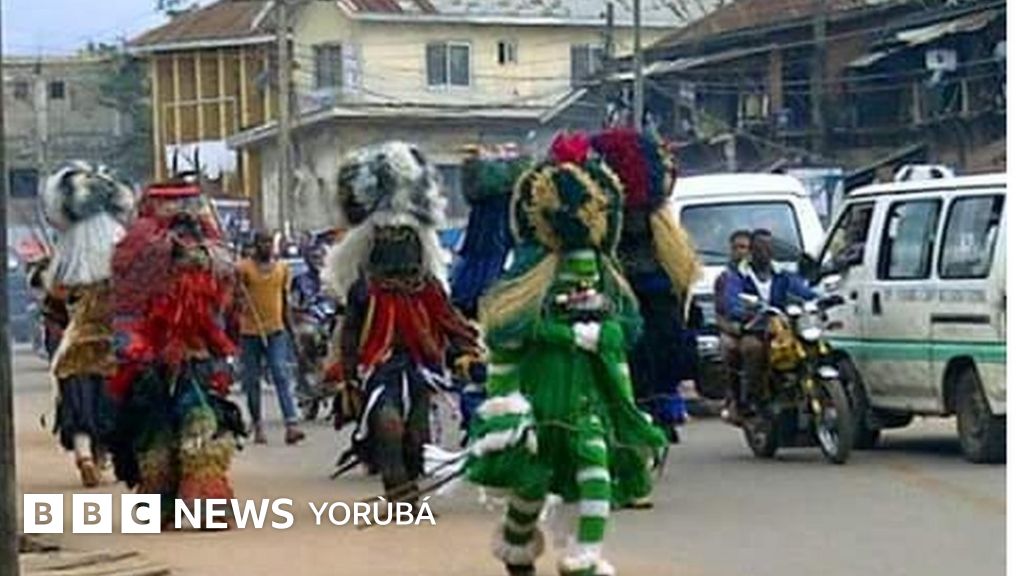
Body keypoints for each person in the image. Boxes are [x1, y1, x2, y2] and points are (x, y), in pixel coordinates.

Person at [465, 134, 666, 576]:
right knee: (530, 489)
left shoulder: (608, 274)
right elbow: (505, 328)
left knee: (596, 472)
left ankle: (584, 560)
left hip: (590, 395)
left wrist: (601, 335)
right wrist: (561, 334)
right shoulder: (528, 272)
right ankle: (518, 547)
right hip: (542, 395)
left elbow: (630, 328)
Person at [324, 141, 483, 501]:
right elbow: (350, 333)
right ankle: (397, 489)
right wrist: (348, 377)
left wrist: (467, 351)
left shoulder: (426, 288)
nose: (397, 246)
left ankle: (410, 485)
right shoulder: (366, 291)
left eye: (405, 239)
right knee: (389, 424)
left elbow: (449, 322)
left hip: (420, 366)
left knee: (416, 433)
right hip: (379, 369)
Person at [106, 183, 244, 526]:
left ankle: (181, 505)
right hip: (161, 360)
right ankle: (182, 505)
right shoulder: (157, 256)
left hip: (181, 359)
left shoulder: (203, 260)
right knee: (175, 430)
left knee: (182, 428)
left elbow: (225, 314)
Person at [590, 127, 702, 446]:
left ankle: (657, 410)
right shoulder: (608, 219)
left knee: (665, 346)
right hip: (622, 287)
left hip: (652, 286)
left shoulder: (656, 219)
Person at [41, 161, 135, 487]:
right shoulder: (119, 241)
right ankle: (98, 454)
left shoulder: (68, 249)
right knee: (111, 395)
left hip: (76, 338)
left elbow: (53, 294)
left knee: (74, 394)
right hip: (112, 341)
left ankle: (83, 453)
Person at [721, 229, 817, 417]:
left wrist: (821, 299)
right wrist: (747, 311)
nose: (765, 252)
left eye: (769, 248)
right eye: (760, 248)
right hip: (755, 328)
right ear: (752, 251)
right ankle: (755, 399)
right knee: (753, 349)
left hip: (783, 328)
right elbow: (732, 303)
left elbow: (804, 292)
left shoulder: (782, 274)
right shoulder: (737, 276)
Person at [236, 231, 305, 445]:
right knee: (251, 380)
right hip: (250, 333)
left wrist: (292, 332)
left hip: (276, 330)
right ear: (255, 246)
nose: (267, 246)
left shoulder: (282, 269)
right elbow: (235, 299)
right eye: (262, 243)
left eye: (269, 243)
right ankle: (257, 425)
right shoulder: (243, 269)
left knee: (280, 373)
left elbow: (285, 302)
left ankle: (291, 424)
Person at [715, 229, 751, 423]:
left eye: (744, 247)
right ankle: (735, 400)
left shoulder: (761, 273)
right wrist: (734, 326)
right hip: (735, 328)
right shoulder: (726, 278)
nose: (741, 252)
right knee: (732, 350)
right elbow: (723, 310)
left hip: (764, 326)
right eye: (737, 247)